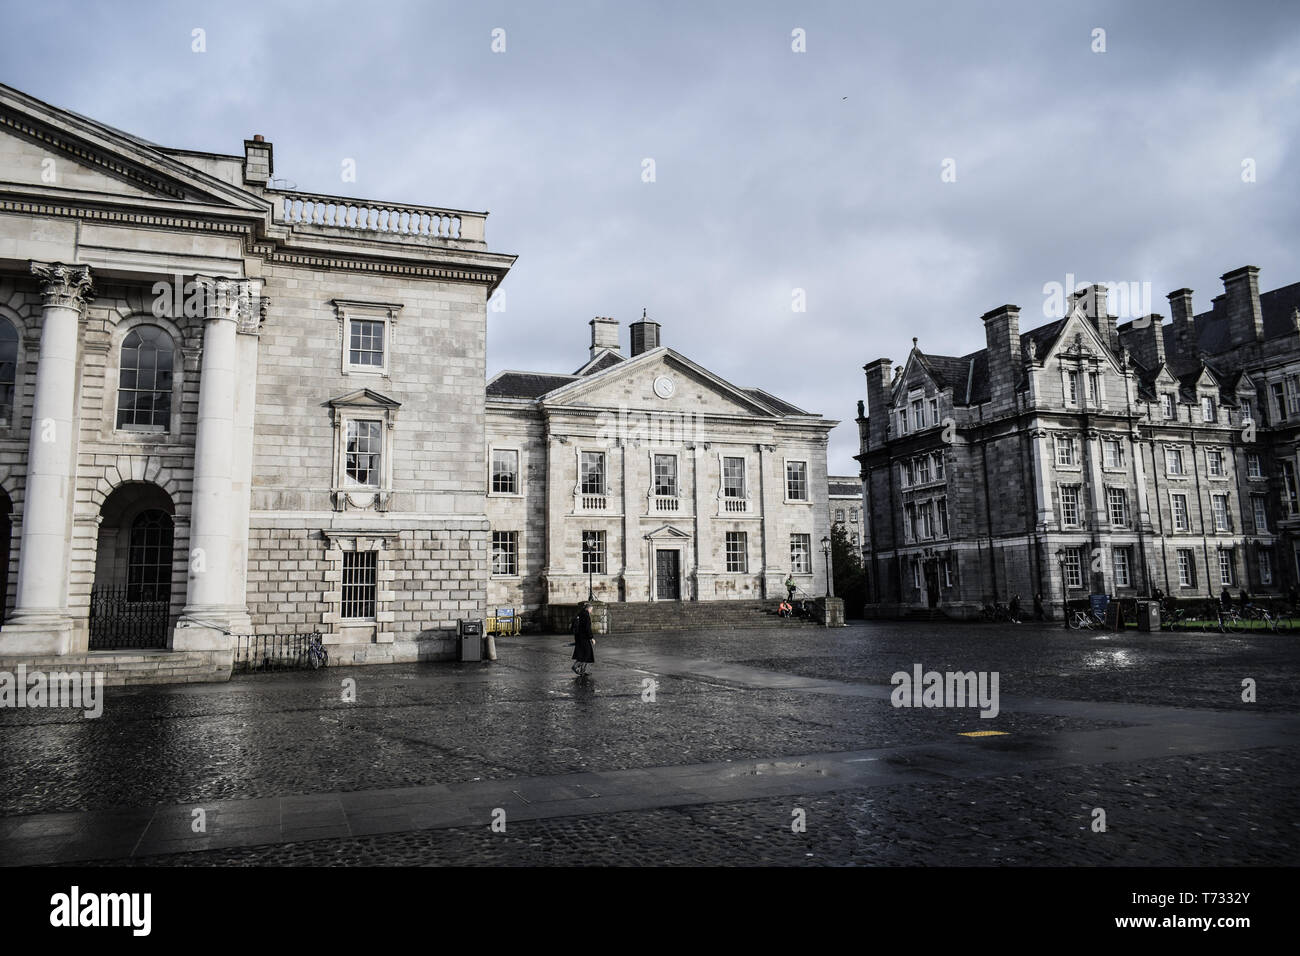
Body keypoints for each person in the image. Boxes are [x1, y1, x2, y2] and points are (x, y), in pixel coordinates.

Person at [571, 602, 595, 676]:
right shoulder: (586, 615)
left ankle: (582, 671)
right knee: (586, 654)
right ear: (588, 608)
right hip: (584, 638)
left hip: (578, 637)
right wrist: (591, 638)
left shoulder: (580, 614)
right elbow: (587, 628)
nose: (591, 611)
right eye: (591, 609)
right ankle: (575, 667)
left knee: (584, 654)